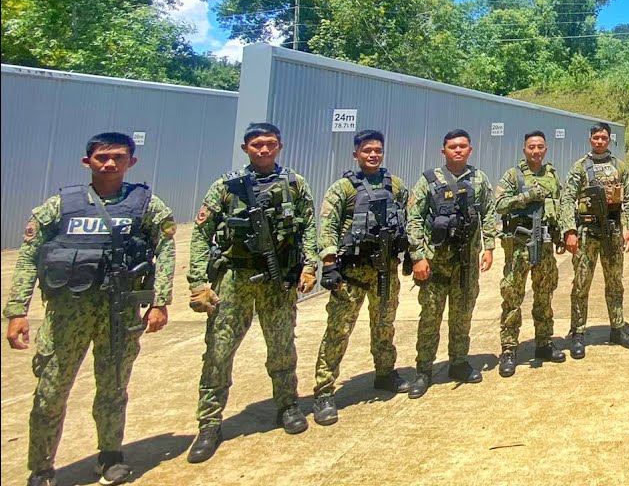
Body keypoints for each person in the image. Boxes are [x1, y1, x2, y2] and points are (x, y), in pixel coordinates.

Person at [5, 133, 176, 486]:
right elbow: (29, 255)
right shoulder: (62, 205)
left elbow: (167, 249)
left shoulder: (146, 205)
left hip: (118, 314)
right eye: (102, 157)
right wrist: (17, 311)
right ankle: (41, 468)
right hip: (67, 315)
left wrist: (160, 301)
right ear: (88, 162)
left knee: (113, 390)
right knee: (50, 394)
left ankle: (110, 456)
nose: (110, 163)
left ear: (132, 161)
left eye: (118, 157)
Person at [187, 122, 319, 464]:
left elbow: (308, 227)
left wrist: (310, 266)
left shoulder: (294, 184)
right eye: (257, 144)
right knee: (218, 351)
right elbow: (201, 235)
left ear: (280, 146)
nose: (264, 150)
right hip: (235, 279)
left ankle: (288, 406)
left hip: (278, 281)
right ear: (246, 148)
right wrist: (198, 283)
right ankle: (209, 424)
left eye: (270, 144)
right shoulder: (226, 186)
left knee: (281, 346)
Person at [312, 129, 411, 426]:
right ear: (356, 154)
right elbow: (327, 227)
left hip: (385, 270)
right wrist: (329, 262)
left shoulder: (396, 185)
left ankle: (385, 373)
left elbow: (407, 220)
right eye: (367, 150)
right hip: (352, 273)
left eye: (378, 150)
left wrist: (408, 254)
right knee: (338, 330)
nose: (373, 155)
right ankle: (324, 390)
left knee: (384, 324)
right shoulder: (343, 188)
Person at [406, 129, 497, 394]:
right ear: (443, 151)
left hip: (465, 262)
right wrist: (418, 257)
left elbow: (488, 214)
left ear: (470, 150)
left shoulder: (479, 180)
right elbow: (413, 219)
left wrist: (489, 247)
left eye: (463, 146)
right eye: (452, 147)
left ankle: (458, 361)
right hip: (435, 264)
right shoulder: (428, 181)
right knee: (430, 317)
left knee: (462, 315)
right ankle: (423, 370)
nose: (458, 150)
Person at [560, 123, 629, 358]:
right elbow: (567, 199)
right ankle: (578, 332)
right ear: (590, 140)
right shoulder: (580, 167)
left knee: (615, 282)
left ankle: (617, 327)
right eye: (596, 138)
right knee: (581, 284)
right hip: (587, 231)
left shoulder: (619, 167)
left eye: (603, 138)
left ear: (609, 139)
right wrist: (569, 230)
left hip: (613, 231)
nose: (599, 141)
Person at [494, 130, 566, 377]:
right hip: (519, 247)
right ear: (524, 149)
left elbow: (560, 205)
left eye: (540, 147)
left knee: (544, 295)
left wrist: (562, 235)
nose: (536, 151)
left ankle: (544, 343)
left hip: (545, 246)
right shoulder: (513, 175)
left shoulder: (552, 175)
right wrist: (525, 197)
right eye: (531, 147)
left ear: (545, 149)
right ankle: (509, 349)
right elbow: (499, 205)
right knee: (512, 298)